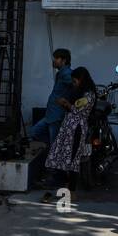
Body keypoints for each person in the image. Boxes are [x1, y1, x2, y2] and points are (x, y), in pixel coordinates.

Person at [39, 66, 97, 203]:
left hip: (76, 129)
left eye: (75, 81)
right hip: (67, 127)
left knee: (72, 160)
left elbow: (77, 110)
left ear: (81, 80)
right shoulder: (78, 92)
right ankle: (65, 188)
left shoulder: (88, 95)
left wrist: (65, 104)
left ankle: (72, 191)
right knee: (62, 157)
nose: (74, 84)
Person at [28, 48, 73, 148]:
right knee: (34, 132)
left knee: (54, 145)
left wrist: (67, 103)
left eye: (57, 58)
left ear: (64, 60)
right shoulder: (61, 73)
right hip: (51, 115)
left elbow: (75, 86)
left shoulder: (67, 73)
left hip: (57, 115)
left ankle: (56, 157)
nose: (54, 61)